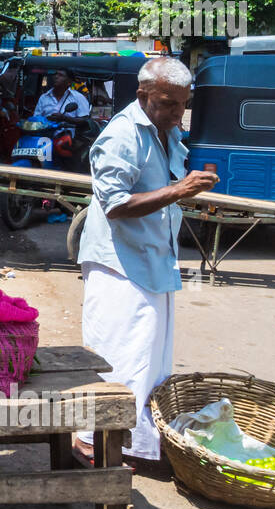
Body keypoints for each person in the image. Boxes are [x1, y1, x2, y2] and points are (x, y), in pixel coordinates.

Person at [75, 57, 219, 470]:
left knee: (149, 358)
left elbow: (162, 187)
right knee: (119, 355)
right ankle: (89, 441)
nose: (178, 114)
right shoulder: (122, 135)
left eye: (183, 105)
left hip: (152, 259)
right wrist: (179, 190)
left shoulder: (164, 131)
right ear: (143, 97)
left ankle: (132, 442)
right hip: (120, 264)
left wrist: (182, 189)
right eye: (168, 104)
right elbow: (116, 204)